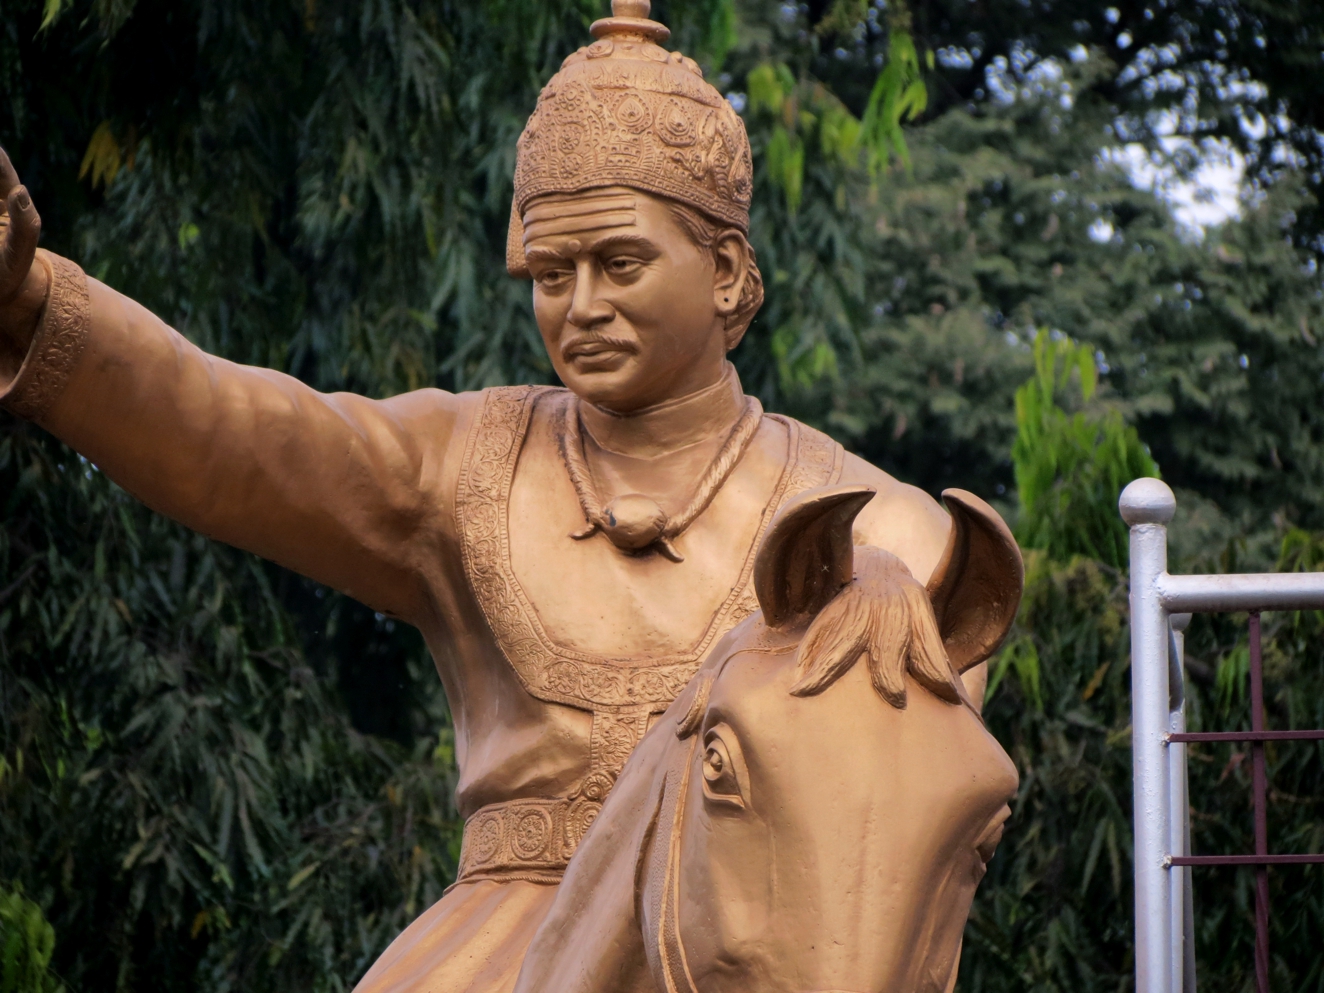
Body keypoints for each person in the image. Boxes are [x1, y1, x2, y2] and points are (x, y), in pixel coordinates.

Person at [0, 2, 977, 990]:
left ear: (725, 271)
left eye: (620, 263)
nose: (581, 305)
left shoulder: (884, 535)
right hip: (487, 961)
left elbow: (889, 855)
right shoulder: (465, 461)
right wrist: (30, 302)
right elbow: (224, 428)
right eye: (552, 274)